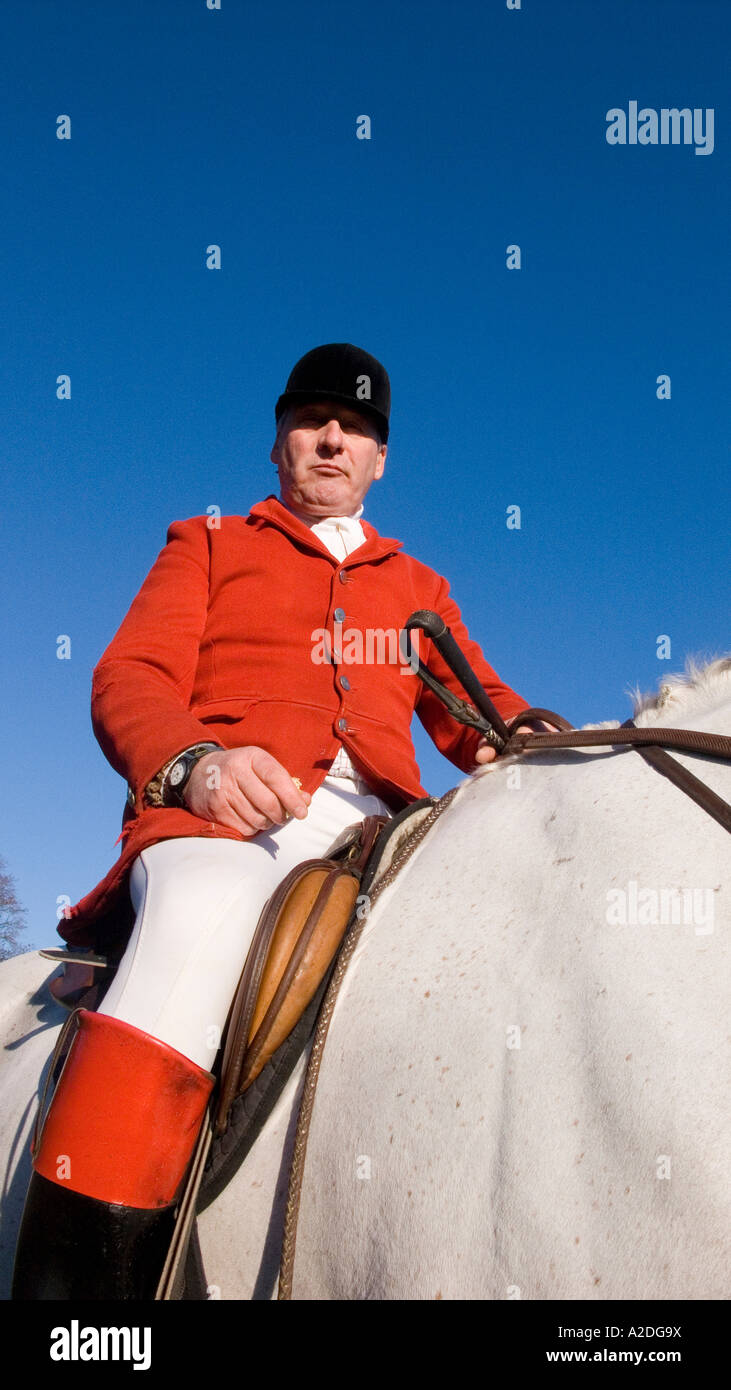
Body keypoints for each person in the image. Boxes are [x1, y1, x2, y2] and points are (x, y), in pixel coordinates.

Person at [13, 343, 541, 1299]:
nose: (333, 437)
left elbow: (482, 715)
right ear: (278, 445)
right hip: (227, 824)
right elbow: (129, 677)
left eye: (359, 428)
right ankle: (78, 1316)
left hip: (385, 831)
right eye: (311, 420)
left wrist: (540, 741)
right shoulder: (207, 542)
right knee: (204, 916)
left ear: (381, 459)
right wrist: (196, 765)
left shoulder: (418, 588)